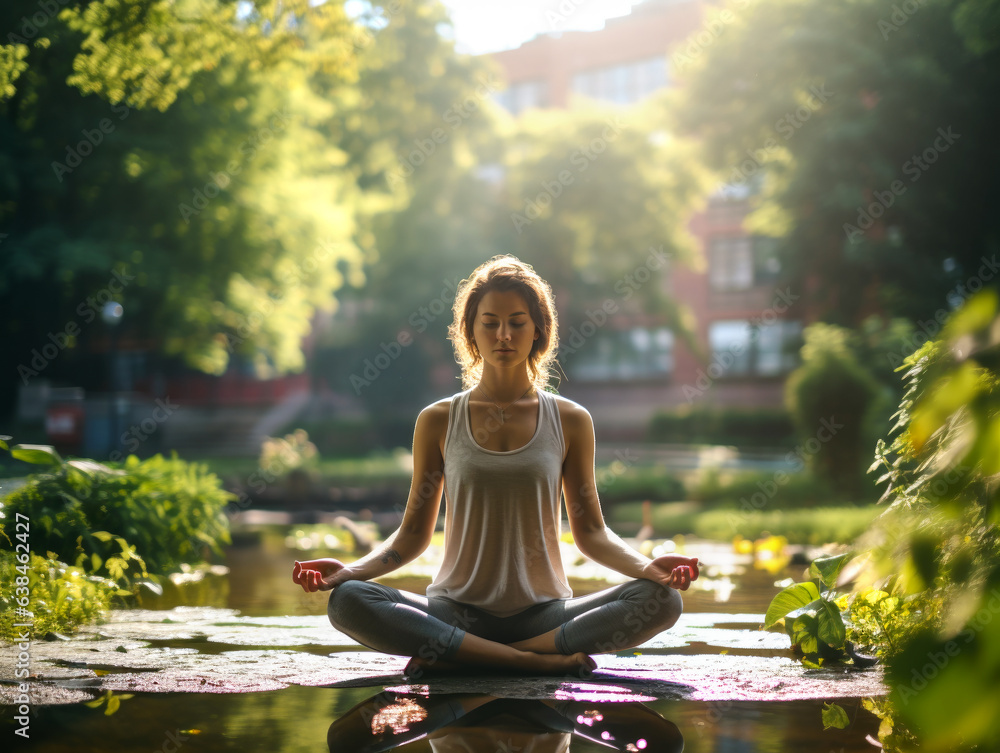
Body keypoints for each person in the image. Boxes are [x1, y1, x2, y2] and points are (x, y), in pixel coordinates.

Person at [292, 255, 699, 678]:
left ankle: (465, 655)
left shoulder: (571, 420)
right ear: (470, 331)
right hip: (453, 611)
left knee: (661, 600)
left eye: (517, 322)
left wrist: (647, 568)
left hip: (544, 615)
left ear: (539, 329)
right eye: (489, 322)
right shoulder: (438, 420)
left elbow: (591, 532)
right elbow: (413, 535)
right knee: (348, 599)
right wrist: (350, 570)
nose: (503, 334)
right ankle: (524, 660)